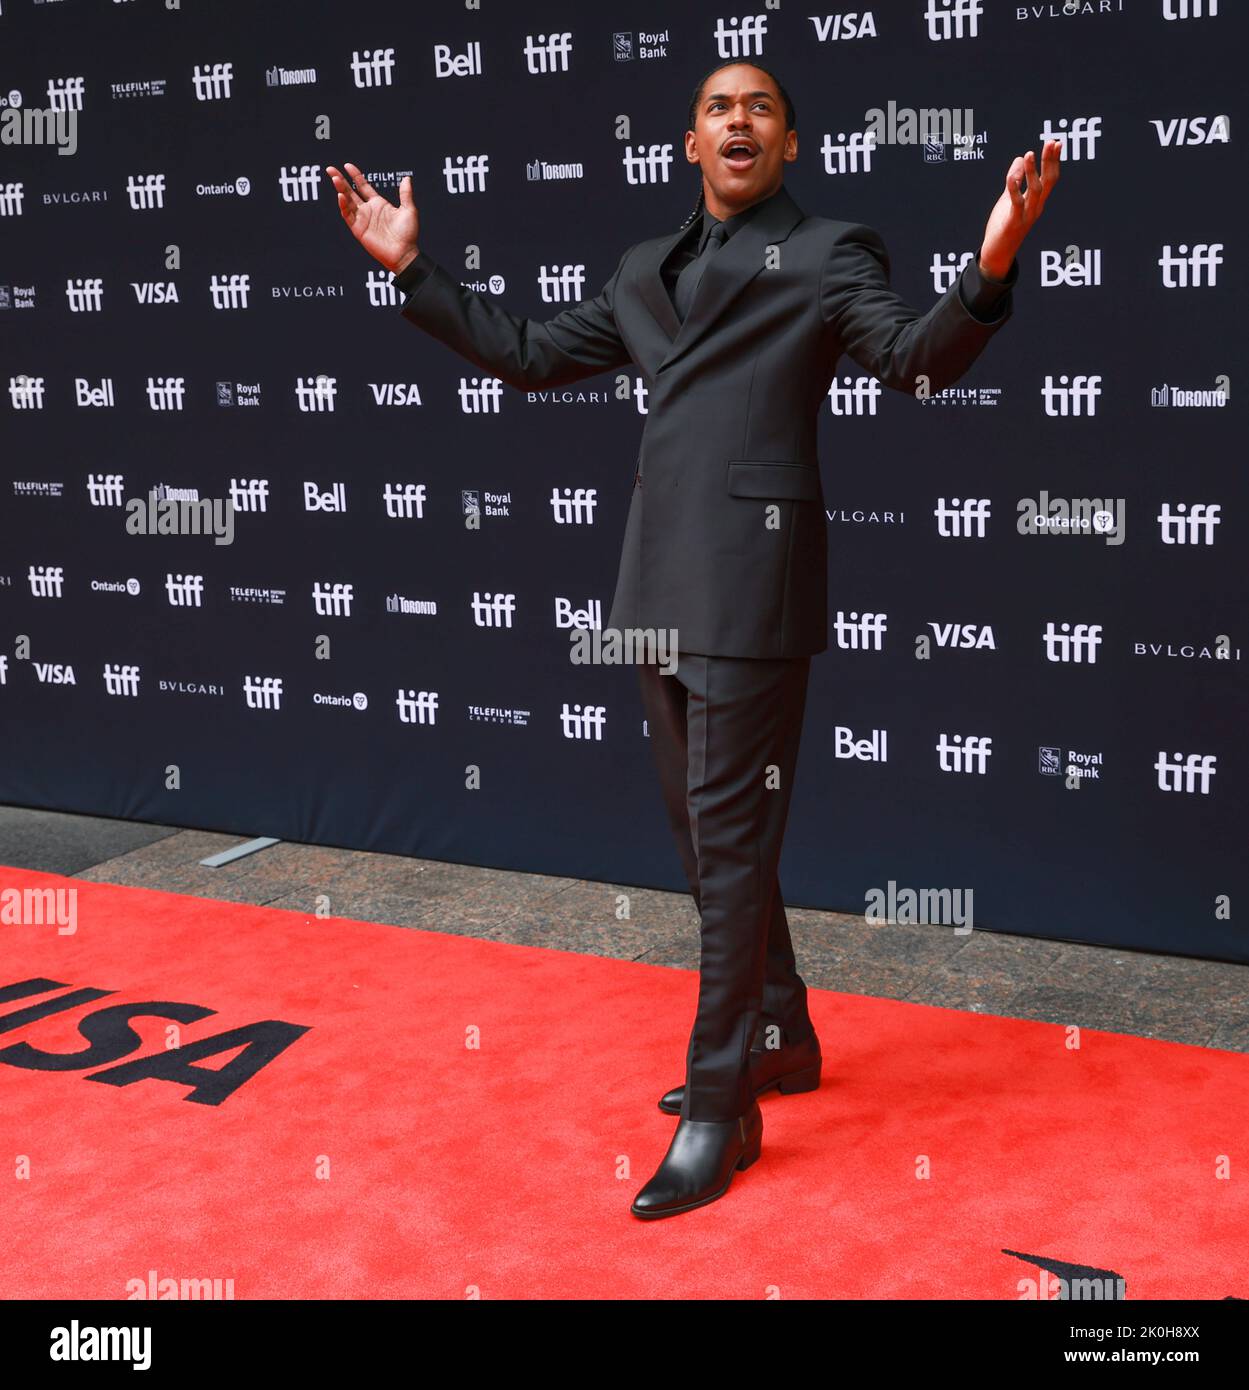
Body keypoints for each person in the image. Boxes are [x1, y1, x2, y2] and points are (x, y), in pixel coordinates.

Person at [326, 60, 1060, 1221]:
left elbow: (914, 358)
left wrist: (992, 261)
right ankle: (781, 1032)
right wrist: (412, 269)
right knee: (708, 839)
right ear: (687, 142)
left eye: (760, 108)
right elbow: (524, 351)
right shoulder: (638, 273)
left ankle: (725, 1107)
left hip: (753, 590)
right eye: (718, 107)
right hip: (655, 590)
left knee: (726, 849)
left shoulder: (827, 253)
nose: (738, 120)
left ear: (790, 146)